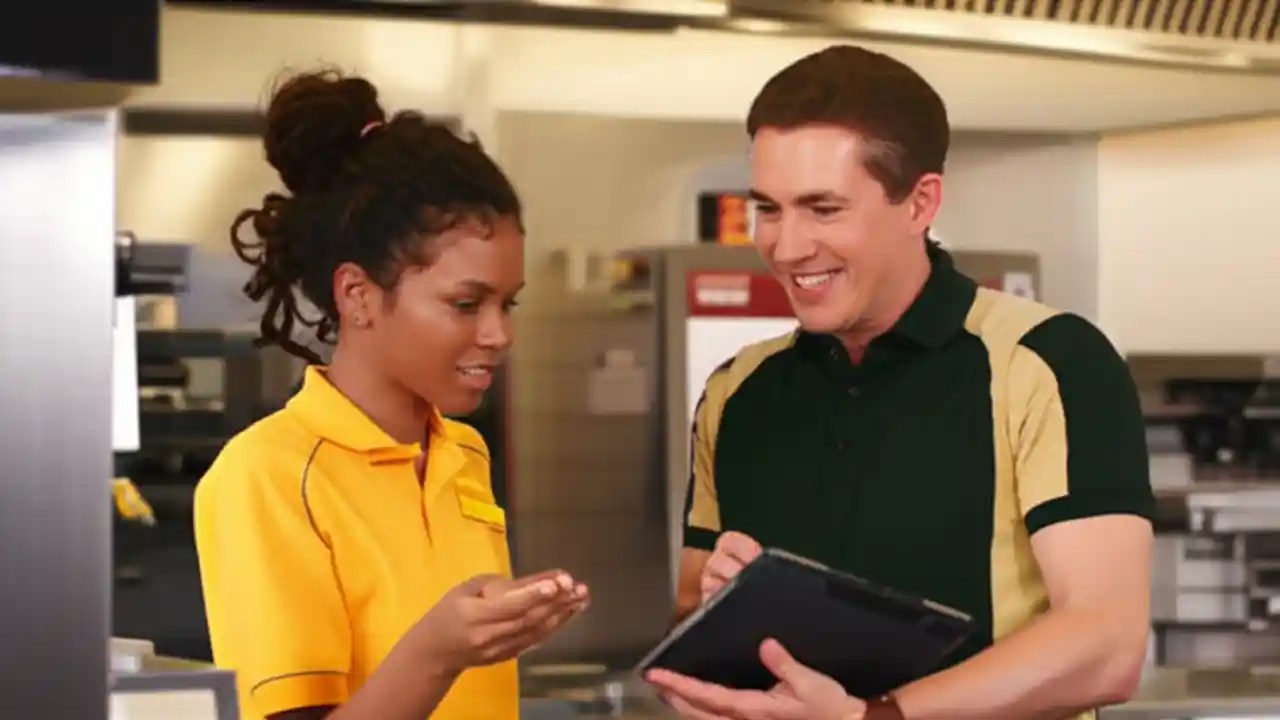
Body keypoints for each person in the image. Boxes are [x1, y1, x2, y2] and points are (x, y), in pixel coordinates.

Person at [647, 45, 1154, 720]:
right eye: (768, 208)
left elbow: (1106, 645)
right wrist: (717, 613)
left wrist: (875, 718)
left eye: (823, 209)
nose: (786, 246)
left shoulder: (1049, 362)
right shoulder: (737, 393)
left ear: (921, 203)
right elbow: (688, 624)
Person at [193, 69, 588, 720]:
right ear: (358, 296)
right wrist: (437, 651)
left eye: (507, 303)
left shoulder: (464, 453)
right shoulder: (265, 477)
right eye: (466, 304)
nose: (499, 334)